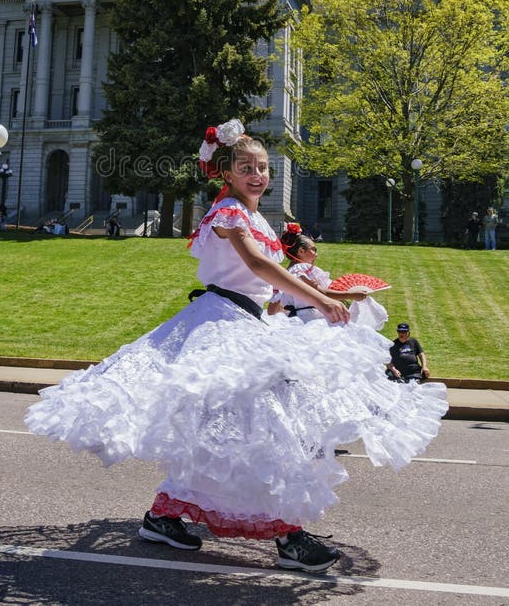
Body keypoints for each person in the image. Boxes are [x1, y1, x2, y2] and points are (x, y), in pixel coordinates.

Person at [26, 119, 447, 574]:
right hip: (220, 323)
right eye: (246, 166)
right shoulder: (229, 212)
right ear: (225, 172)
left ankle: (165, 516)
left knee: (228, 429)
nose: (258, 174)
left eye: (263, 167)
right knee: (268, 426)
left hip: (245, 321)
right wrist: (322, 299)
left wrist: (331, 301)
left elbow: (267, 286)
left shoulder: (253, 215)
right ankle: (288, 534)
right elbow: (257, 265)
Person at [268, 223, 388, 330]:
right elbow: (321, 293)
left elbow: (271, 309)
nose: (316, 254)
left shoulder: (286, 273)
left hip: (295, 322)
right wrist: (351, 295)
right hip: (312, 322)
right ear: (301, 251)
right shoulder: (302, 270)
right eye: (313, 249)